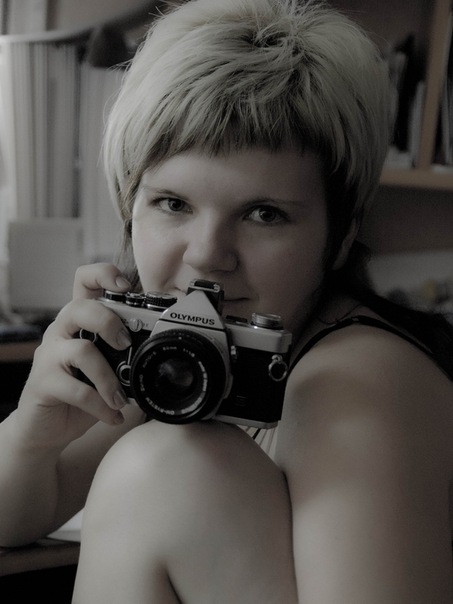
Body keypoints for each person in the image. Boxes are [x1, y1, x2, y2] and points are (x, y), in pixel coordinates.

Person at [1, 0, 453, 601]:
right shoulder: (186, 353)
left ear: (340, 236)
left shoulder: (359, 380)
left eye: (264, 214)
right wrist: (34, 431)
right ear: (130, 210)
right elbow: (12, 519)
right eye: (173, 204)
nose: (208, 255)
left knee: (166, 469)